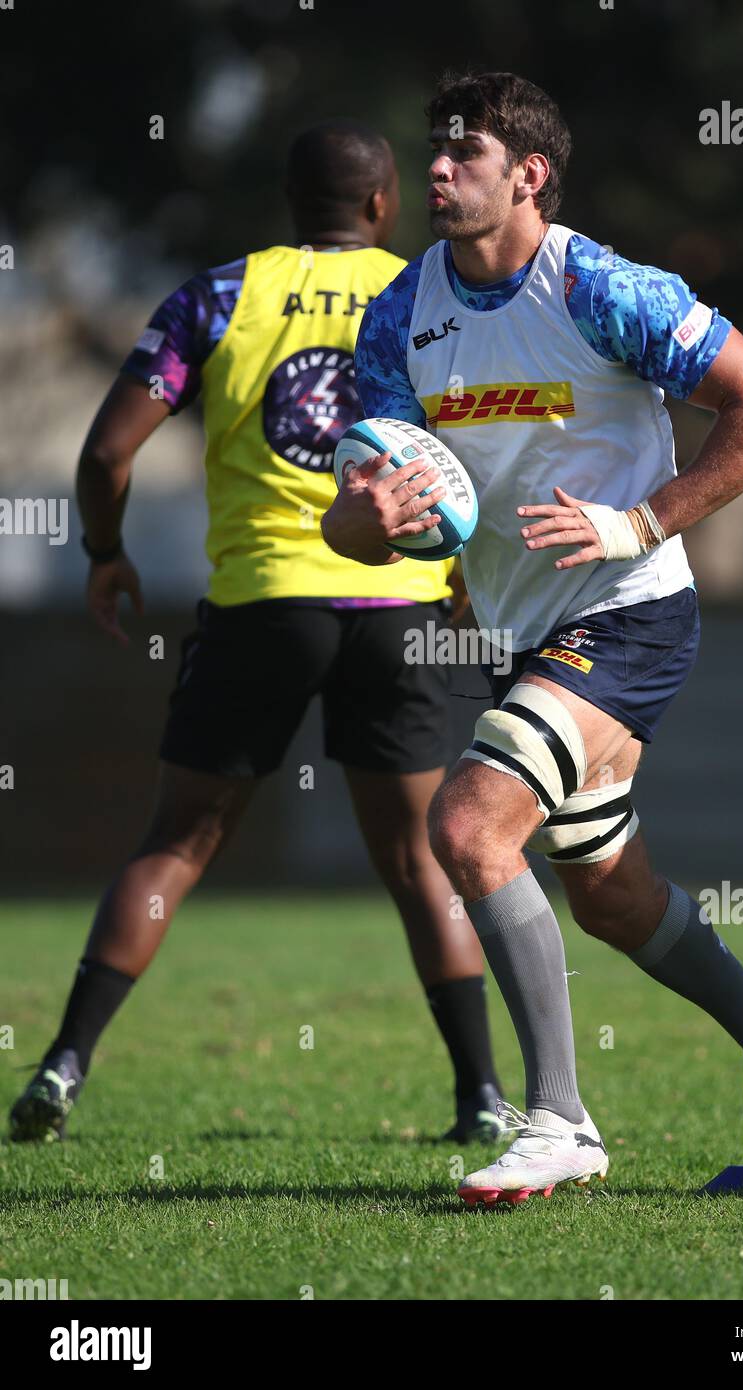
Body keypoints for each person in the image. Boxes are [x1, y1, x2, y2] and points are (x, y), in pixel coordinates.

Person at [321, 74, 743, 1205]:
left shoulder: (600, 285)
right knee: (607, 893)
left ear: (528, 175)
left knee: (467, 822)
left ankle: (558, 1119)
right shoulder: (400, 314)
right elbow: (365, 518)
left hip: (631, 612)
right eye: (431, 152)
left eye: (464, 154)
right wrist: (363, 522)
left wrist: (636, 519)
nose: (436, 171)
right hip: (515, 634)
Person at [10, 120, 504, 1147]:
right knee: (420, 860)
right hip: (399, 608)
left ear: (289, 204)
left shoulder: (220, 295)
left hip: (260, 607)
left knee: (178, 841)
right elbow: (475, 453)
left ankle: (63, 1061)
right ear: (382, 205)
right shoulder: (429, 293)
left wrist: (107, 550)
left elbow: (105, 452)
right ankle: (481, 1097)